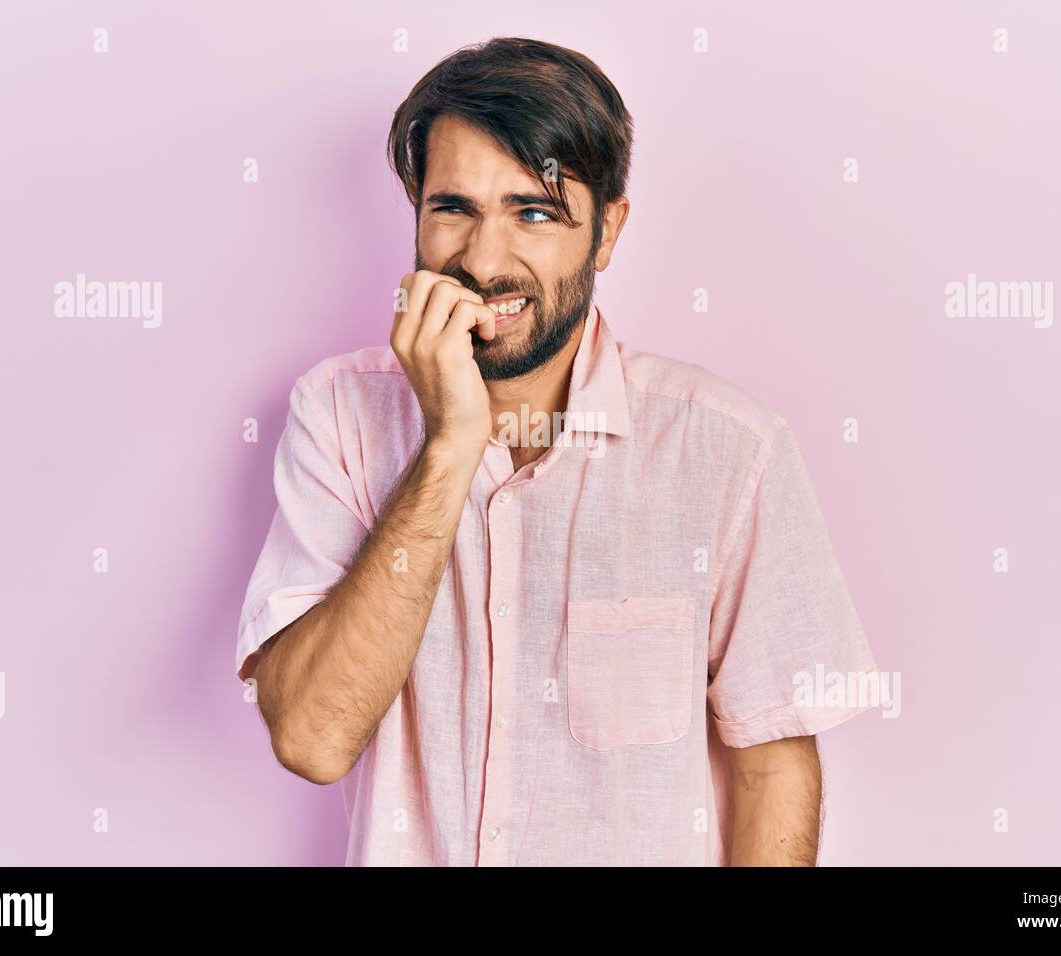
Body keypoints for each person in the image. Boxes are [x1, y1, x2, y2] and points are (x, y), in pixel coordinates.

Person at [235, 36, 879, 866]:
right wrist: (449, 446)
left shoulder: (729, 452)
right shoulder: (338, 415)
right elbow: (313, 738)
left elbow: (772, 762)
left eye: (533, 212)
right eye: (452, 208)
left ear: (607, 231)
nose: (483, 259)